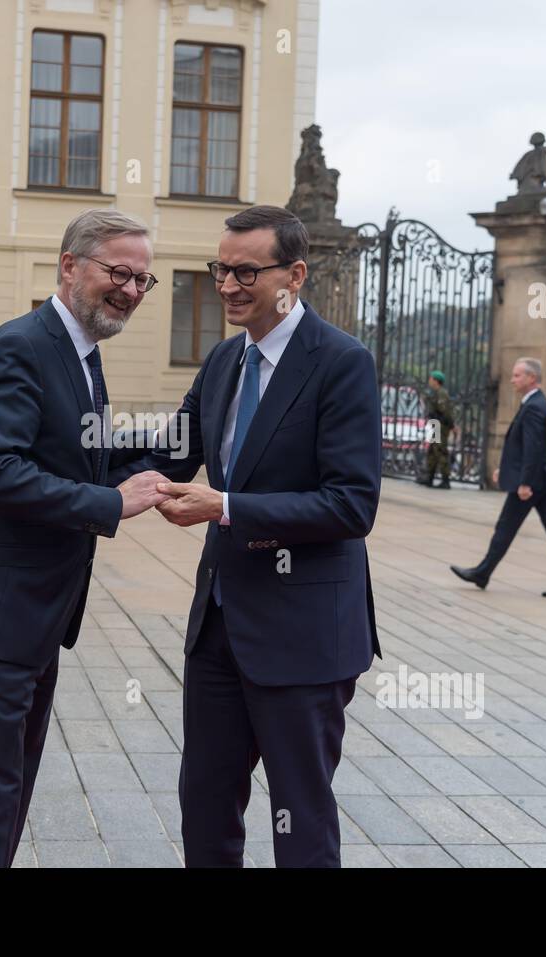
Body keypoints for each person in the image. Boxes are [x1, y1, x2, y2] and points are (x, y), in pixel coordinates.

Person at [110, 205, 382, 867]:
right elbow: (172, 453)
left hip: (304, 634)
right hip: (220, 632)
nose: (227, 284)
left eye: (245, 271)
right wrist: (65, 462)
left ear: (295, 274)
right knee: (204, 803)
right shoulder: (226, 360)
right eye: (220, 269)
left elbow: (351, 504)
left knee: (300, 817)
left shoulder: (342, 363)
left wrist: (227, 505)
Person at [0, 209, 169, 867]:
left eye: (145, 280)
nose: (132, 291)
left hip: (31, 621)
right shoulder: (20, 345)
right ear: (68, 265)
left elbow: (79, 455)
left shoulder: (83, 354)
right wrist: (109, 503)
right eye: (120, 272)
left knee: (5, 804)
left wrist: (175, 449)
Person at [450, 357, 546, 599]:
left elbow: (534, 449)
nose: (512, 380)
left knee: (505, 528)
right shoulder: (536, 403)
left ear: (532, 378)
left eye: (517, 375)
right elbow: (525, 447)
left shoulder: (534, 407)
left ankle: (482, 572)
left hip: (533, 484)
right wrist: (507, 469)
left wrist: (525, 482)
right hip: (543, 481)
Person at [416, 370, 454, 488]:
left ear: (436, 381)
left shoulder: (442, 393)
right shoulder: (435, 392)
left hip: (440, 425)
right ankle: (429, 477)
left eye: (431, 378)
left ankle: (445, 480)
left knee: (440, 451)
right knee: (432, 450)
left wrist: (449, 425)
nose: (429, 381)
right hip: (434, 423)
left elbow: (444, 411)